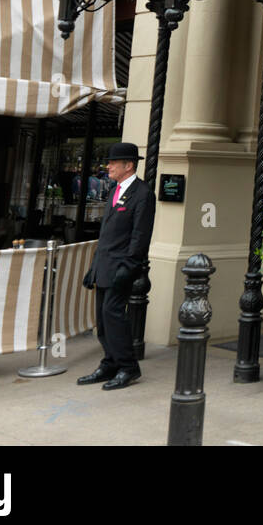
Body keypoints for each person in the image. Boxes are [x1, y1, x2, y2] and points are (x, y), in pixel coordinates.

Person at [77, 143, 156, 390]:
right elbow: (107, 233)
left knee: (114, 316)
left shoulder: (143, 194)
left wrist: (129, 266)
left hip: (122, 266)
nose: (108, 166)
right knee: (102, 318)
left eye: (113, 162)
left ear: (128, 165)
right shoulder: (114, 190)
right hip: (105, 265)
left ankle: (128, 367)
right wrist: (94, 267)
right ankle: (110, 363)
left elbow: (140, 235)